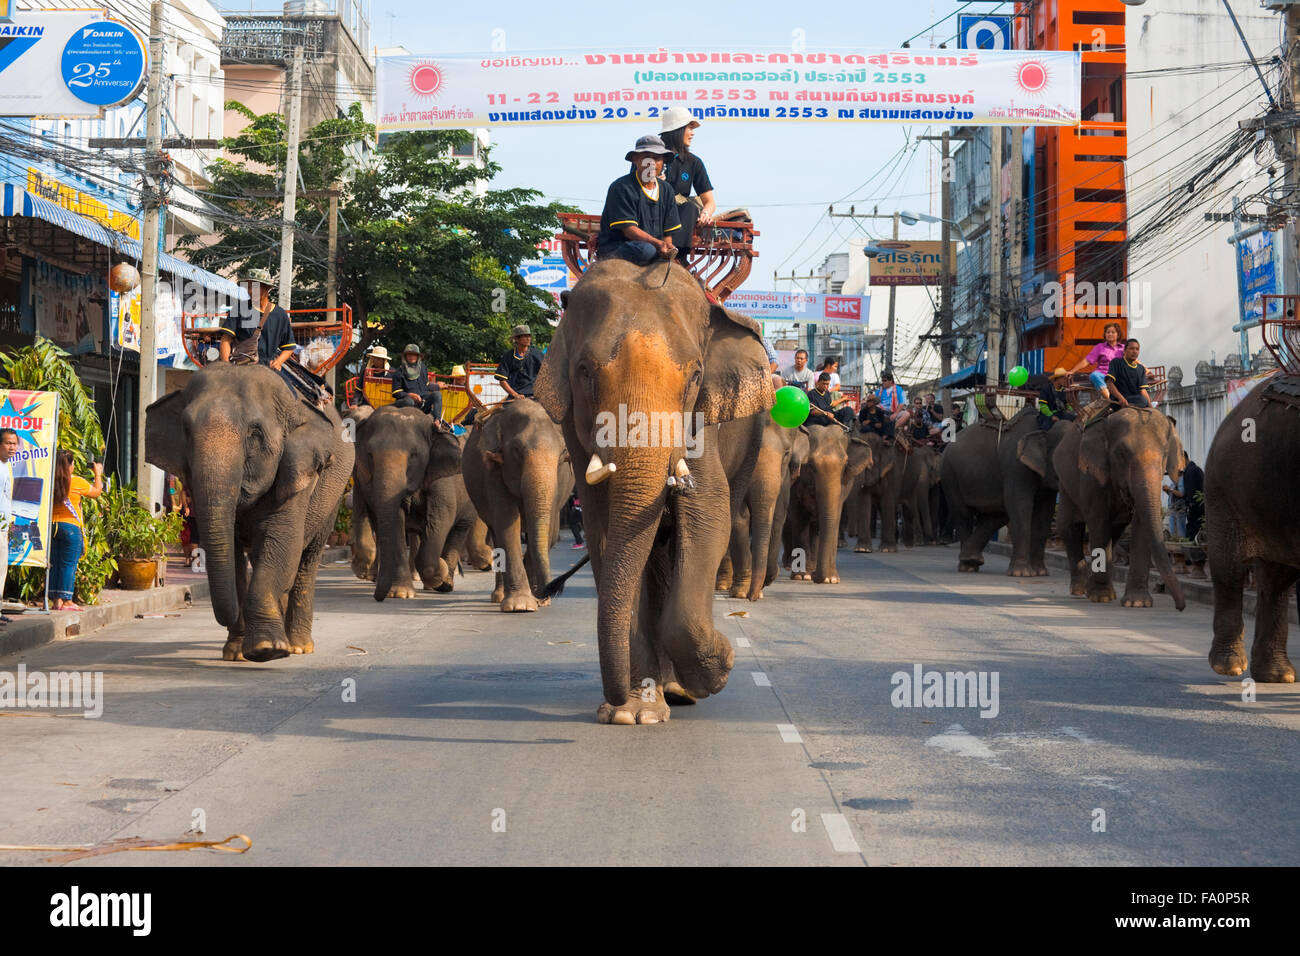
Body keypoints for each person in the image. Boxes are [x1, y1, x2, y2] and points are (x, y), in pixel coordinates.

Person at [596, 134, 682, 265]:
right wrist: (658, 244)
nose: (652, 163)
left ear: (663, 161)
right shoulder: (621, 187)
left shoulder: (667, 190)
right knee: (646, 251)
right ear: (635, 159)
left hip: (654, 248)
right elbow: (628, 230)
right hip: (618, 246)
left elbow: (668, 231)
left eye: (657, 158)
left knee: (659, 254)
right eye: (647, 158)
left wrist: (667, 248)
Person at [217, 268, 296, 387]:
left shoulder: (280, 315)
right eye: (248, 287)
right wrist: (227, 368)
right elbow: (225, 340)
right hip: (241, 367)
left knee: (292, 395)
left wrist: (278, 362)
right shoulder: (238, 309)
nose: (250, 291)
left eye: (254, 287)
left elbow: (289, 347)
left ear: (266, 288)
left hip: (268, 369)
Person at [659, 107, 716, 263]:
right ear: (676, 130)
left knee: (689, 208)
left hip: (678, 218)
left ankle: (677, 256)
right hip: (652, 214)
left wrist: (706, 213)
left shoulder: (693, 162)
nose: (693, 133)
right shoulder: (649, 155)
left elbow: (710, 202)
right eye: (689, 127)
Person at [49, 451, 103, 612]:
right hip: (70, 527)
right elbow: (96, 492)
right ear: (70, 465)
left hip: (52, 526)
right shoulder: (76, 482)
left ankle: (56, 600)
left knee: (54, 564)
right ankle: (66, 601)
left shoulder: (51, 480)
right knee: (68, 565)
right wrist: (97, 474)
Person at [1070, 321, 1125, 418]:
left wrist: (1145, 369)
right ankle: (1112, 402)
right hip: (1103, 375)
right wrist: (1072, 371)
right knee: (1094, 375)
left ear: (1118, 334)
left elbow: (1134, 361)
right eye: (1108, 332)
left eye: (1113, 332)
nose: (1110, 334)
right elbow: (1087, 360)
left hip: (1118, 376)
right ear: (1105, 334)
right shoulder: (1100, 347)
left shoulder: (1123, 348)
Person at [391, 344, 443, 418]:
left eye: (414, 355)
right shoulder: (399, 372)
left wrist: (437, 386)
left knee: (437, 394)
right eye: (409, 354)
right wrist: (410, 395)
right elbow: (395, 393)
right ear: (405, 356)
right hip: (407, 403)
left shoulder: (423, 368)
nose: (412, 357)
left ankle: (437, 421)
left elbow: (426, 385)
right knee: (409, 401)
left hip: (422, 402)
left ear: (418, 356)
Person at [495, 325, 545, 400]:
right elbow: (502, 380)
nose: (528, 338)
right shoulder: (508, 356)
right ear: (516, 339)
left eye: (529, 336)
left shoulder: (538, 354)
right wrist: (515, 395)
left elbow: (546, 376)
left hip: (535, 395)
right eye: (525, 336)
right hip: (515, 395)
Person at [0, 428, 17, 624]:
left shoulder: (6, 465)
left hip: (3, 526)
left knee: (2, 569)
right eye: (7, 443)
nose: (12, 447)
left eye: (14, 443)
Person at [1106, 338, 1152, 410]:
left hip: (1136, 400)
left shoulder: (1141, 369)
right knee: (1142, 400)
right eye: (1132, 348)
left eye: (1137, 349)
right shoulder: (1116, 362)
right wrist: (1120, 398)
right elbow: (1109, 383)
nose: (1134, 351)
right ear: (1124, 350)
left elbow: (1143, 390)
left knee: (1143, 400)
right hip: (1118, 401)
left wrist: (1151, 407)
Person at [1183, 454, 1205, 540]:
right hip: (1199, 506)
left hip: (1196, 507)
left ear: (1183, 458)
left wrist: (1190, 504)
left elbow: (1191, 491)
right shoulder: (1193, 470)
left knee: (1193, 531)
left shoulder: (1191, 471)